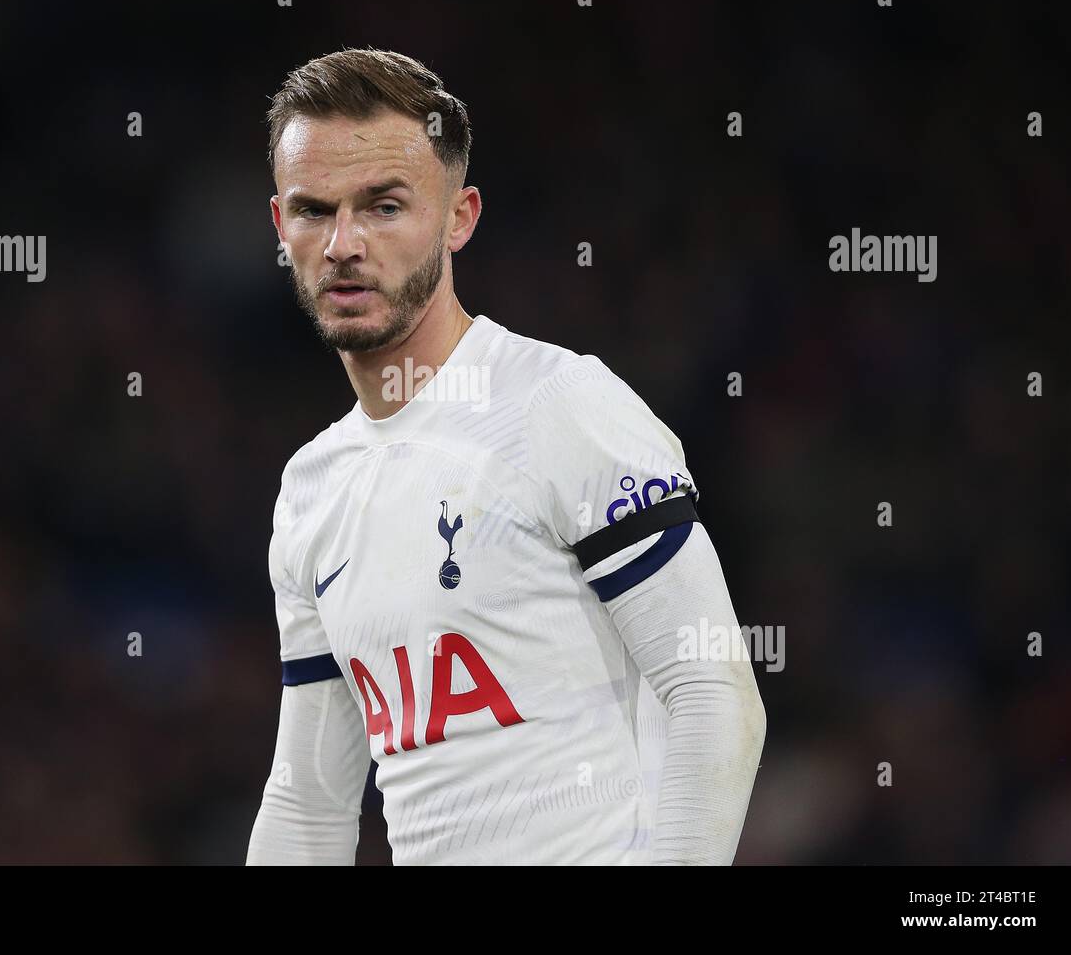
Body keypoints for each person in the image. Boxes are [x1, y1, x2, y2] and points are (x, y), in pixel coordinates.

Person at [246, 47, 765, 865]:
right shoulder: (311, 490)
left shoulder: (559, 405)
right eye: (314, 210)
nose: (344, 242)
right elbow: (308, 800)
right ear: (281, 227)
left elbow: (713, 689)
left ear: (460, 216)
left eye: (384, 206)